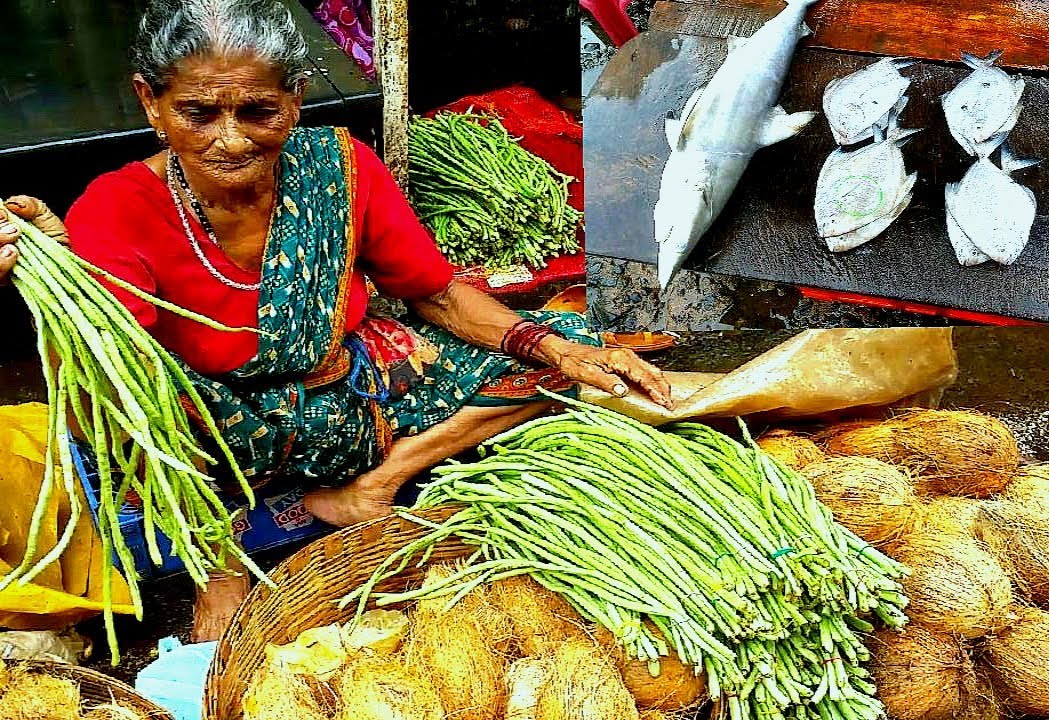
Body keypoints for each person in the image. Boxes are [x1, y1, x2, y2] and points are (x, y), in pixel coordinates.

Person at [0, 0, 670, 640]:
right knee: (123, 416)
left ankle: (373, 485)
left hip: (344, 389)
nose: (231, 140)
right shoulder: (116, 208)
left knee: (574, 352)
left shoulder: (338, 169)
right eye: (197, 113)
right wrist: (54, 281)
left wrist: (552, 347)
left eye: (259, 111)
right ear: (150, 101)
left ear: (295, 97)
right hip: (213, 425)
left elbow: (435, 295)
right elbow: (109, 370)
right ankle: (220, 555)